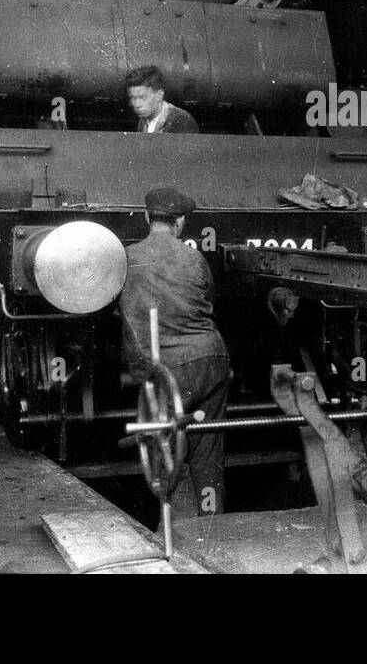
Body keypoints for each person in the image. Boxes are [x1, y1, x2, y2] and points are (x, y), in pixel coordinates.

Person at [119, 187, 228, 515]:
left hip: (166, 369)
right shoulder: (194, 257)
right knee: (207, 447)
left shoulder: (126, 257)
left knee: (166, 448)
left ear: (146, 217)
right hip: (212, 358)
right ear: (180, 222)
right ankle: (211, 526)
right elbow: (208, 296)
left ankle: (176, 531)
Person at [125, 66, 199, 134]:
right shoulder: (143, 121)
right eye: (133, 98)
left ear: (159, 95)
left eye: (142, 97)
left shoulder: (181, 121)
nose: (136, 105)